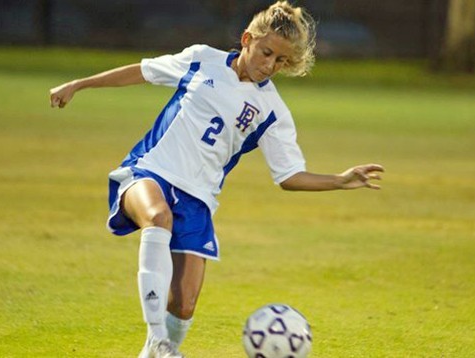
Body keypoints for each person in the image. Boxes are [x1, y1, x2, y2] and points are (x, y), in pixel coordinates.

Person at [49, 1, 383, 357]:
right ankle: (158, 336)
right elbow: (141, 72)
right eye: (266, 52)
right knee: (157, 217)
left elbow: (288, 175)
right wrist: (80, 84)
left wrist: (341, 180)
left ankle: (156, 352)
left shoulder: (272, 112)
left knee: (185, 304)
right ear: (247, 40)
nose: (269, 65)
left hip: (198, 200)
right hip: (150, 171)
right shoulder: (202, 60)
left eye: (280, 61)